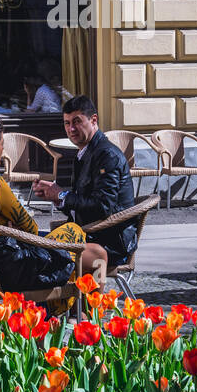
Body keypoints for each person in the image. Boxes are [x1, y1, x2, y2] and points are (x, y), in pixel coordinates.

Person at [0, 116, 109, 293]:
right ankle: (92, 312)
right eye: (1, 143)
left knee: (81, 249)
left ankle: (77, 310)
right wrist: (11, 226)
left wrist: (6, 226)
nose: (3, 149)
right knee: (93, 250)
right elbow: (31, 229)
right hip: (18, 270)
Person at [32, 95, 138, 270]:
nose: (71, 128)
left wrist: (62, 194)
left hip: (108, 245)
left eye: (77, 121)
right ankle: (70, 297)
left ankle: (81, 296)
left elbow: (103, 207)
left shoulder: (106, 155)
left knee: (40, 256)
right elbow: (83, 204)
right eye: (67, 123)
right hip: (90, 234)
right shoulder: (87, 153)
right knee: (33, 244)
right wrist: (57, 198)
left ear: (93, 119)